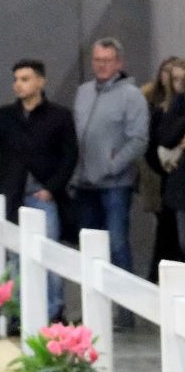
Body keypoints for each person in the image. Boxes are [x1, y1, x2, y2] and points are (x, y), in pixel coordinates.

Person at [0, 59, 78, 324]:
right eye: (16, 79)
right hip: (13, 194)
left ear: (41, 81)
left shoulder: (59, 115)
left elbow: (70, 155)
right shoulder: (6, 115)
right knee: (16, 257)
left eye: (25, 79)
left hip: (42, 194)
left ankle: (53, 312)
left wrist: (52, 189)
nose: (18, 84)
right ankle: (18, 313)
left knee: (49, 254)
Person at [71, 38, 149, 306]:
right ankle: (94, 309)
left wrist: (111, 167)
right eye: (97, 60)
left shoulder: (132, 96)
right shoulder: (83, 92)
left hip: (116, 185)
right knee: (89, 251)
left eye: (107, 60)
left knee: (117, 246)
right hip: (84, 185)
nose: (101, 65)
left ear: (119, 63)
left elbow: (139, 139)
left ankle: (125, 311)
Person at [142, 57, 185, 279]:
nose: (176, 82)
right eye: (173, 78)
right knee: (173, 241)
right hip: (172, 182)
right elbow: (164, 139)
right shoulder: (172, 105)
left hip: (173, 181)